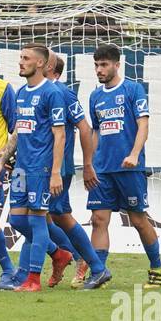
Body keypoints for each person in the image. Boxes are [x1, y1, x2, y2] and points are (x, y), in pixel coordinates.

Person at [84, 44, 161, 289]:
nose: (99, 70)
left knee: (138, 220)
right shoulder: (95, 96)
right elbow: (96, 132)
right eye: (97, 65)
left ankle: (156, 267)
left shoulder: (133, 89)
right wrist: (91, 162)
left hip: (129, 168)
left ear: (117, 65)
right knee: (98, 219)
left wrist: (135, 154)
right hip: (103, 169)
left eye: (104, 65)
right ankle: (99, 273)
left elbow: (143, 125)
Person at [0, 45, 65, 292]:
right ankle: (58, 254)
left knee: (37, 221)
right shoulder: (21, 93)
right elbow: (18, 132)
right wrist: (2, 161)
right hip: (21, 168)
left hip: (41, 169)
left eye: (26, 59)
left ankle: (33, 280)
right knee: (17, 219)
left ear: (41, 64)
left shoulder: (52, 93)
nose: (20, 62)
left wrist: (55, 172)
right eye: (20, 58)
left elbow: (60, 135)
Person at [44, 54, 107, 289]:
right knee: (47, 216)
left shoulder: (63, 92)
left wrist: (88, 164)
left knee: (41, 216)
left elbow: (84, 127)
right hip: (40, 167)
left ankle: (84, 259)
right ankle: (73, 256)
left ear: (49, 66)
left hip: (58, 168)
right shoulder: (36, 91)